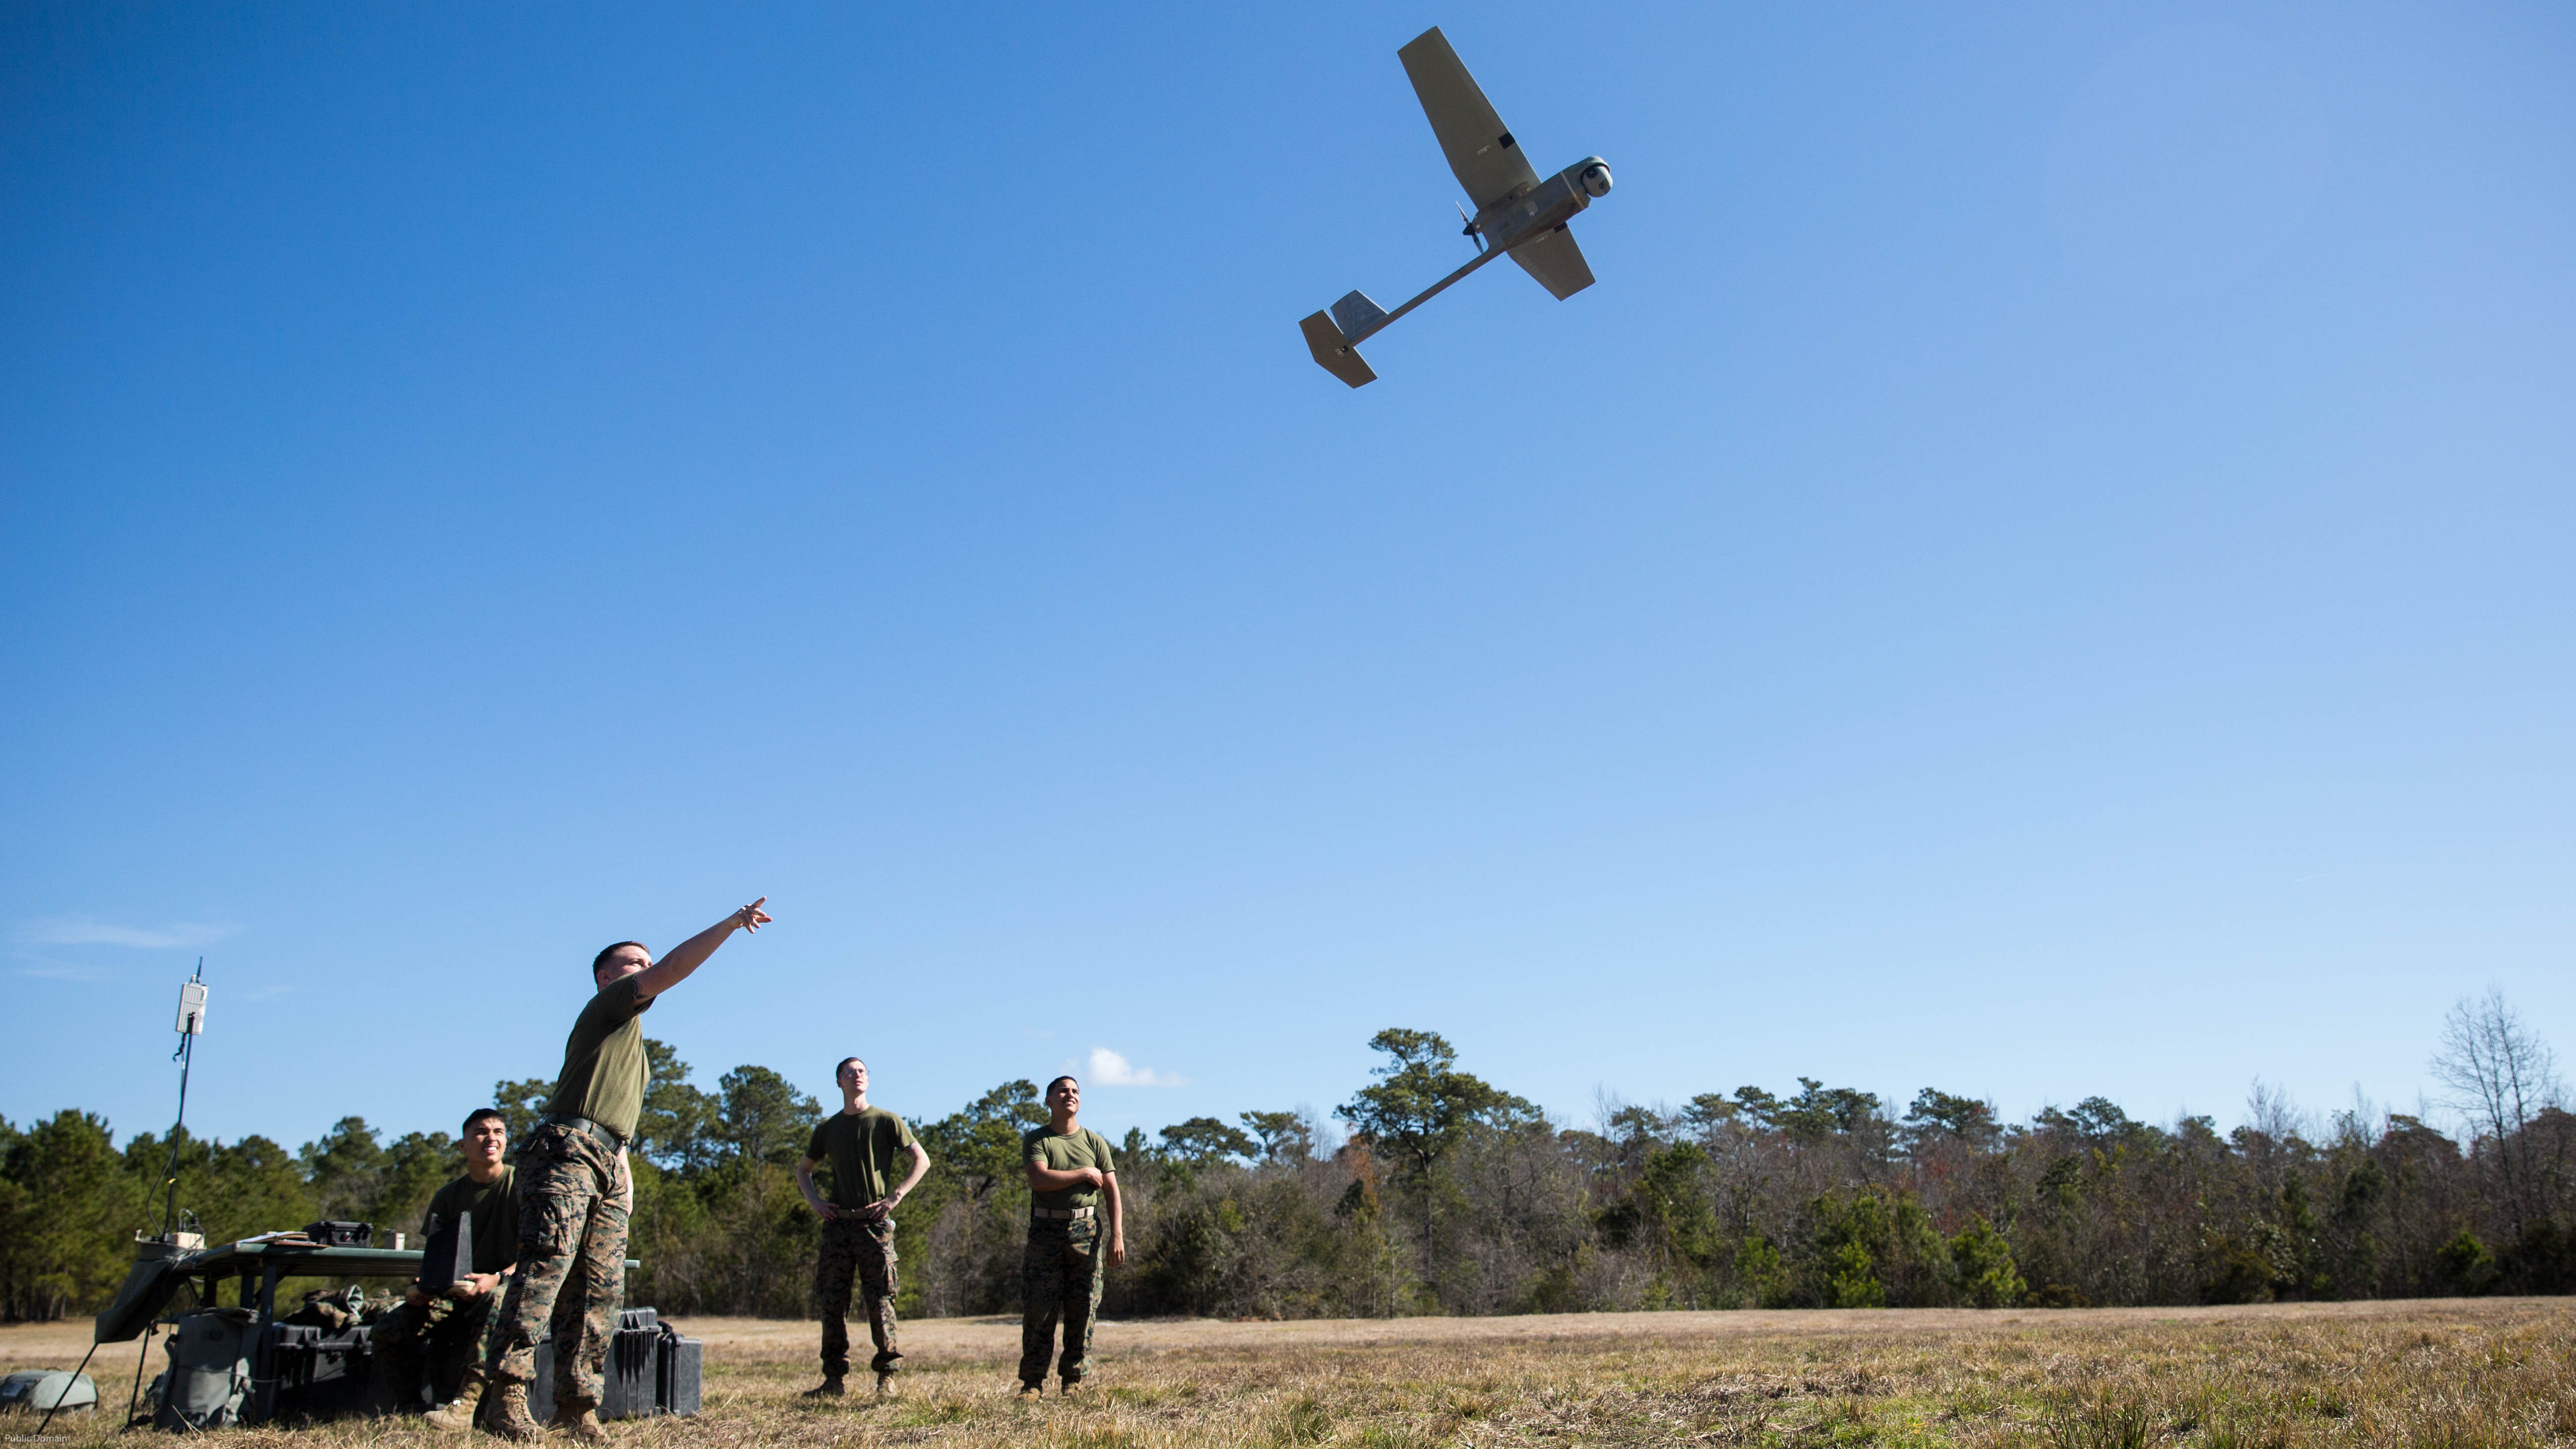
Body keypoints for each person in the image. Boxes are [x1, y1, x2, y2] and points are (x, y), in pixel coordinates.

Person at [478, 898, 772, 1443]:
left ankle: (577, 1405)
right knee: (546, 1270)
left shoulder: (633, 1044)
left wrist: (622, 1173)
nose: (646, 967)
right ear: (606, 977)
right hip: (567, 1150)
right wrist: (732, 924)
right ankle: (505, 1396)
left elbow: (617, 1120)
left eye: (645, 961)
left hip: (608, 1160)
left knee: (600, 1289)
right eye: (635, 962)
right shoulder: (609, 1006)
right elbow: (674, 971)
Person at [370, 1108, 518, 1429]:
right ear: (463, 1145)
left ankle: (463, 1407)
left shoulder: (521, 1187)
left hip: (509, 1286)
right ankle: (410, 1404)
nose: (491, 1137)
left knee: (496, 1300)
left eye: (499, 1131)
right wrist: (424, 1286)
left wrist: (496, 1277)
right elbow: (436, 1256)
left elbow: (540, 1255)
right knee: (388, 1329)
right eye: (481, 1131)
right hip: (457, 1292)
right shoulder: (448, 1197)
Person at [794, 1057, 930, 1398]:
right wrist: (816, 1202)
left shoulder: (886, 1121)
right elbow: (803, 1170)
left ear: (868, 1080)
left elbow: (921, 1159)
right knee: (832, 1303)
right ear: (838, 1081)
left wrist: (896, 1196)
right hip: (838, 1227)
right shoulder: (828, 1128)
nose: (857, 1075)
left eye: (862, 1071)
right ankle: (833, 1380)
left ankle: (887, 1376)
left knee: (881, 1300)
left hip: (875, 1227)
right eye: (850, 1072)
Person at [1016, 1075, 1124, 1396]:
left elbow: (1112, 1192)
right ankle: (1033, 1382)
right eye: (1062, 1090)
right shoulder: (1038, 1139)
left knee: (1083, 1306)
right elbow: (1040, 1179)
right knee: (1040, 1308)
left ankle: (1073, 1379)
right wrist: (1084, 1173)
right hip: (1045, 1231)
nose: (1070, 1094)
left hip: (1086, 1230)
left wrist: (1117, 1235)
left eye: (1075, 1090)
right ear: (1048, 1100)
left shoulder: (1095, 1142)